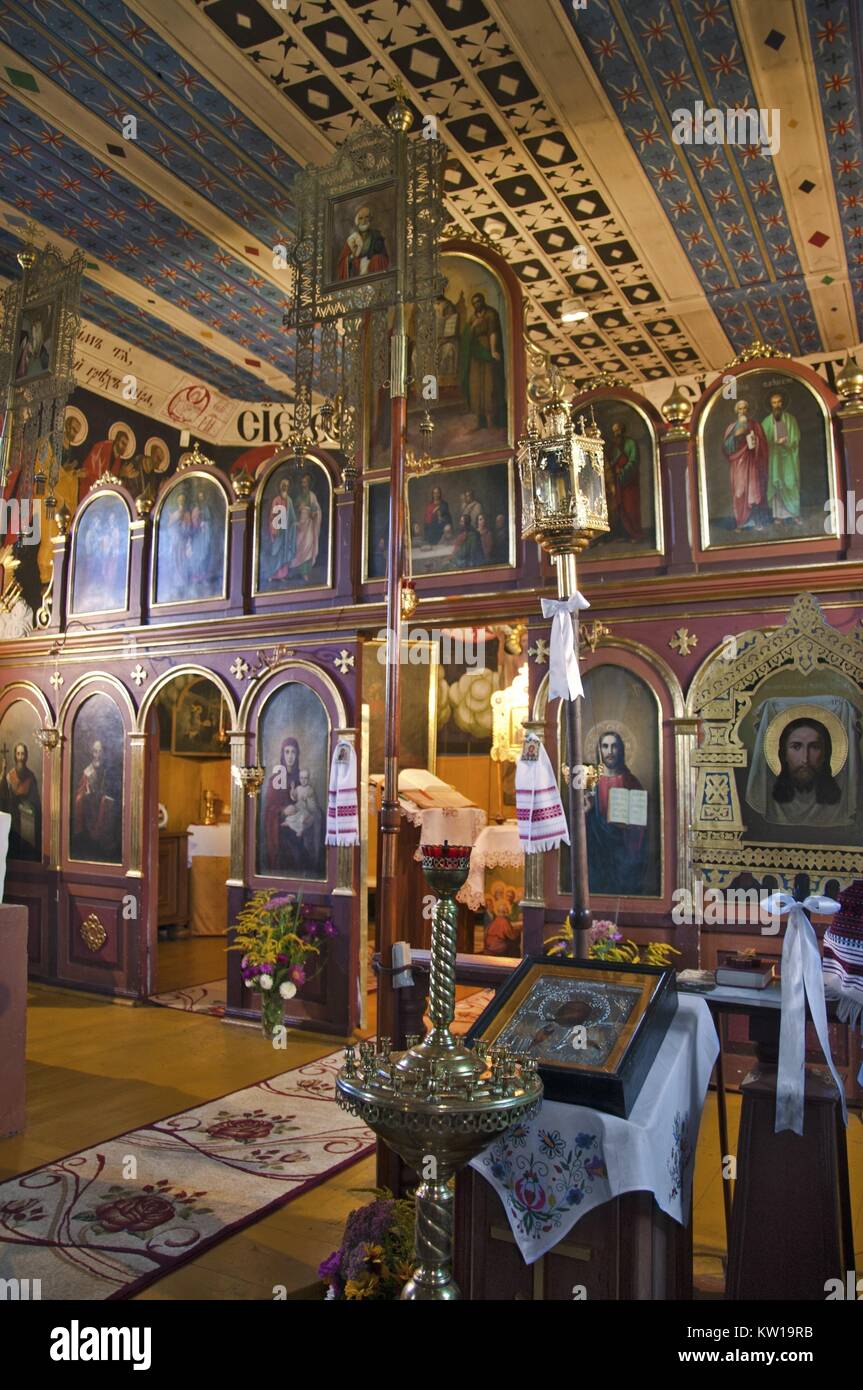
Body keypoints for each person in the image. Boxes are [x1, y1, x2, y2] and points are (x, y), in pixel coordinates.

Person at [586, 731, 647, 895]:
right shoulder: (590, 782)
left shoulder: (632, 782)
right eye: (605, 746)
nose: (610, 751)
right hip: (597, 855)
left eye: (614, 746)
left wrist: (629, 827)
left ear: (621, 750)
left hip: (623, 852)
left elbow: (640, 826)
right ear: (599, 750)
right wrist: (586, 812)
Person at [771, 718, 841, 817]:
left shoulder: (842, 806)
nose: (805, 759)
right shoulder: (769, 804)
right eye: (796, 747)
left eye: (815, 747)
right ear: (784, 754)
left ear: (825, 754)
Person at [459, 291, 506, 431]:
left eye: (478, 302)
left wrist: (492, 351)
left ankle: (494, 420)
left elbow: (493, 332)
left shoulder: (491, 313)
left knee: (489, 384)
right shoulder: (472, 317)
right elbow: (466, 335)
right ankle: (481, 420)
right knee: (476, 386)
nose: (476, 305)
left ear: (483, 301)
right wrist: (473, 326)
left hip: (486, 350)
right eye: (474, 303)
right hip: (475, 354)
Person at [723, 398, 768, 530]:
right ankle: (741, 521)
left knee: (753, 492)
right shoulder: (731, 427)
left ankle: (757, 522)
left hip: (752, 461)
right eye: (740, 409)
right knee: (739, 491)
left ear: (747, 410)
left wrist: (755, 441)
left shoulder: (755, 425)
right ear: (736, 411)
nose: (742, 411)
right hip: (738, 463)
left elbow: (763, 443)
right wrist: (736, 436)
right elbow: (726, 447)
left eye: (744, 408)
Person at [72, 739, 119, 860]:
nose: (98, 754)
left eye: (100, 751)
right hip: (90, 803)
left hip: (103, 802)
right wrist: (85, 795)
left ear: (103, 753)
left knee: (107, 803)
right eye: (95, 751)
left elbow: (111, 790)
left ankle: (104, 842)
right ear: (92, 753)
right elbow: (80, 792)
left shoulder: (107, 769)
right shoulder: (87, 771)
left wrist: (103, 796)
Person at [762, 390, 801, 525]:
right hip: (774, 458)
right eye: (774, 402)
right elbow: (763, 441)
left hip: (788, 458)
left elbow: (796, 438)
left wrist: (787, 442)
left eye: (779, 402)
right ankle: (778, 516)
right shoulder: (767, 421)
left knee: (790, 484)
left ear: (782, 403)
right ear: (771, 404)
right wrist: (773, 443)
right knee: (776, 485)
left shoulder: (790, 419)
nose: (777, 404)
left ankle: (794, 513)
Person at [0, 741, 41, 860]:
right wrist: (3, 772)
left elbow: (36, 802)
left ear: (26, 756)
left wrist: (27, 807)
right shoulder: (9, 776)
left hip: (27, 821)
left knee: (26, 851)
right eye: (18, 754)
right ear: (15, 756)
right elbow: (3, 797)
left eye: (23, 754)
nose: (20, 758)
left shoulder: (31, 777)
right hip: (13, 819)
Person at [607, 419, 642, 540]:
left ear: (622, 430)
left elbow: (634, 460)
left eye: (618, 430)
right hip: (617, 481)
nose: (616, 433)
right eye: (614, 431)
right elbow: (611, 462)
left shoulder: (631, 443)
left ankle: (634, 533)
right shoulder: (615, 446)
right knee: (618, 506)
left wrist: (623, 472)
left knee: (630, 506)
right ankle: (621, 534)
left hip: (629, 481)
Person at [337, 204, 390, 280]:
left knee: (377, 258)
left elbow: (384, 258)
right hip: (356, 274)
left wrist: (373, 260)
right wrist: (352, 256)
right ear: (357, 221)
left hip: (373, 270)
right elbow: (342, 263)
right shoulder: (352, 239)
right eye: (360, 218)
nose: (364, 221)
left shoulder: (376, 236)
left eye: (366, 217)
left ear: (370, 219)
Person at [290, 473, 322, 583]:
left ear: (309, 483)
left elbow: (316, 509)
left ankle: (305, 573)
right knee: (300, 546)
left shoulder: (312, 496)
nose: (304, 484)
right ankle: (299, 571)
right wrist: (299, 510)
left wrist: (313, 514)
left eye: (305, 482)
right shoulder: (299, 497)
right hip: (300, 524)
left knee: (308, 546)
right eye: (302, 482)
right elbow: (293, 511)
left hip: (309, 524)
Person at [266, 478, 297, 584]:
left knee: (284, 552)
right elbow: (273, 516)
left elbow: (292, 516)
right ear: (280, 486)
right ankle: (272, 574)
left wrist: (294, 523)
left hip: (286, 532)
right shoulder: (276, 500)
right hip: (278, 531)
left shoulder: (289, 500)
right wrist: (275, 529)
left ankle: (282, 575)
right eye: (283, 485)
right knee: (276, 552)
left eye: (287, 485)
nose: (285, 487)